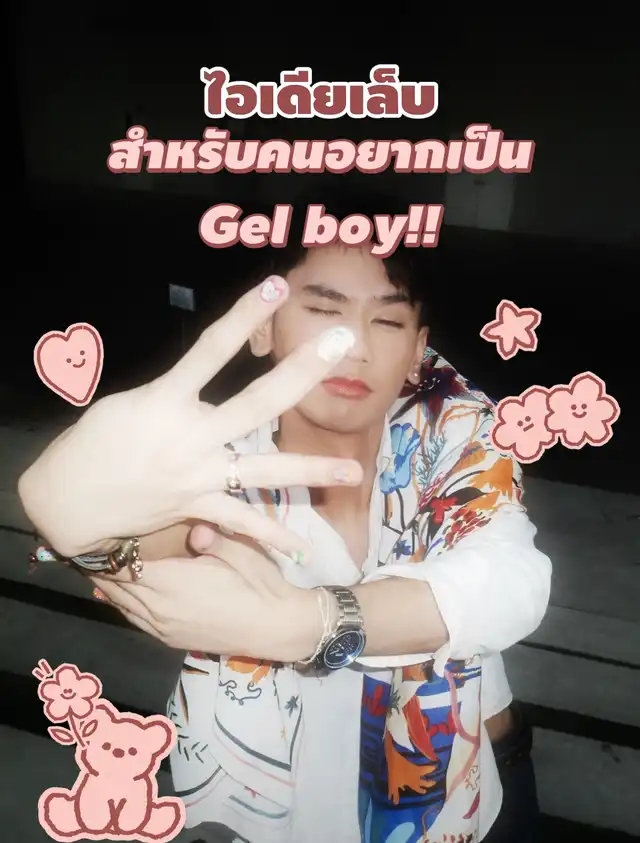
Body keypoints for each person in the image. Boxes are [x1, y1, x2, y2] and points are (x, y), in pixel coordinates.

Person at [19, 189, 551, 843]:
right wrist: (83, 525)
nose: (354, 348)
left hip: (474, 788)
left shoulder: (454, 425)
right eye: (325, 310)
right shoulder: (215, 469)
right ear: (263, 325)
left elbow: (512, 578)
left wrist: (311, 622)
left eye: (387, 321)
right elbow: (153, 544)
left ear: (419, 347)